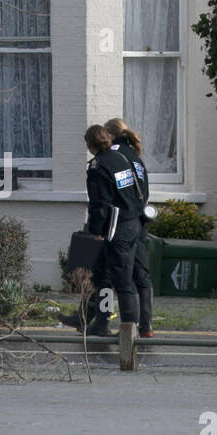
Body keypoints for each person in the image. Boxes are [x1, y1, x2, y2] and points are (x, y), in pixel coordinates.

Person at [63, 124, 145, 336]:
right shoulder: (121, 159)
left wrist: (95, 231)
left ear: (90, 145)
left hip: (115, 228)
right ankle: (101, 323)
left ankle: (129, 329)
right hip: (133, 222)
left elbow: (99, 204)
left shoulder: (98, 166)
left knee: (122, 278)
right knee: (103, 277)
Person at [105, 117, 155, 338]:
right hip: (140, 221)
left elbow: (116, 191)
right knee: (141, 274)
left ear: (110, 135)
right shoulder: (136, 157)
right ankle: (146, 326)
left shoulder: (115, 155)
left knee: (122, 275)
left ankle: (128, 328)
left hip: (123, 221)